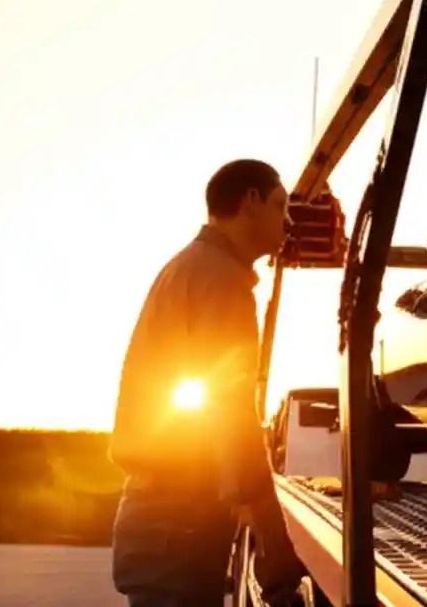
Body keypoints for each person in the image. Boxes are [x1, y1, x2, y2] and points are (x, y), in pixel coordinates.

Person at [109, 158, 305, 607]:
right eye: (281, 206)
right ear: (251, 203)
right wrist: (275, 543)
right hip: (177, 524)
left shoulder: (190, 267)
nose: (287, 222)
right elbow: (231, 412)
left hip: (160, 520)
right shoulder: (219, 279)